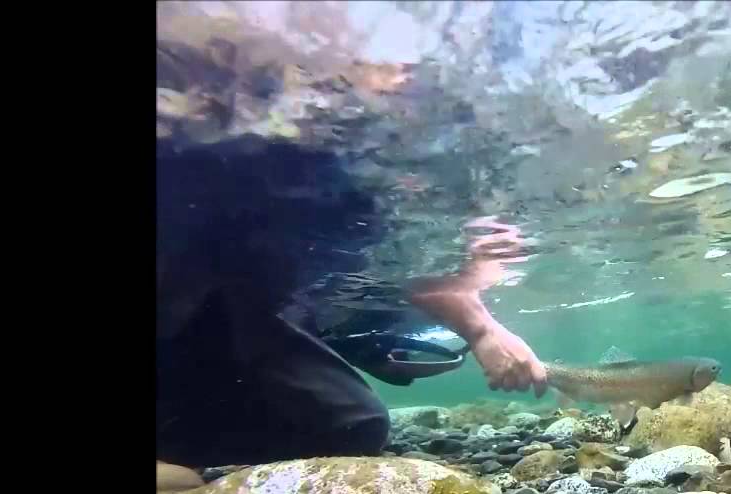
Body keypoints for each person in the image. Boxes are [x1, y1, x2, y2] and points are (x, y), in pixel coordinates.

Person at [156, 138, 546, 469]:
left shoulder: (353, 188)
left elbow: (424, 271)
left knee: (353, 426)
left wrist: (482, 330)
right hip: (208, 314)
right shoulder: (214, 178)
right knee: (344, 427)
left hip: (255, 305)